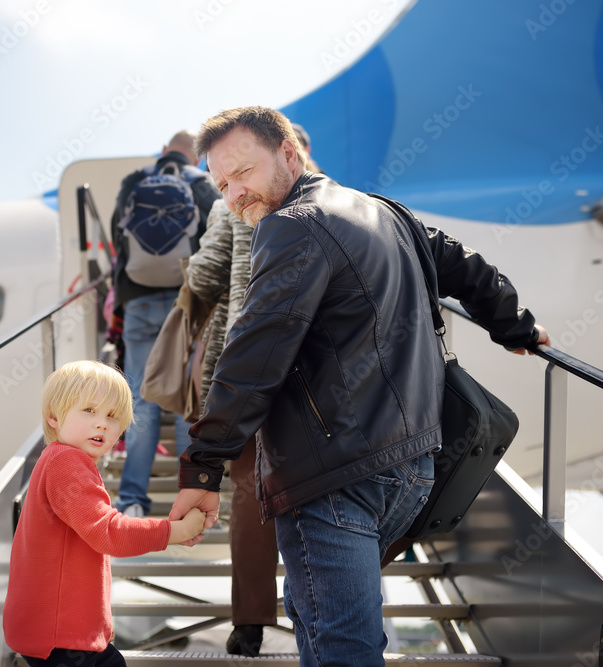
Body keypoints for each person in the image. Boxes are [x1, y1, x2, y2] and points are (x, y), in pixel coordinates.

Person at [169, 107, 549, 666]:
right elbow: (467, 267)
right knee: (326, 627)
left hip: (332, 480)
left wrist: (203, 464)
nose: (234, 195)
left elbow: (255, 354)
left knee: (339, 647)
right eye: (223, 185)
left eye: (243, 173)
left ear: (289, 154)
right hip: (410, 467)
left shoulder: (291, 225)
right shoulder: (384, 212)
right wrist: (514, 325)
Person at [3, 360, 206, 666]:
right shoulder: (66, 463)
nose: (102, 423)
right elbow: (109, 532)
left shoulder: (60, 459)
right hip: (63, 639)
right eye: (89, 410)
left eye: (112, 416)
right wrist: (175, 532)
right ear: (54, 417)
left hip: (61, 635)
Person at [111, 131, 220, 518]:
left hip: (138, 300)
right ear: (197, 155)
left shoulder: (135, 179)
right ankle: (188, 495)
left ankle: (131, 501)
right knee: (184, 399)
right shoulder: (200, 181)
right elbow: (218, 235)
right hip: (186, 301)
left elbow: (116, 236)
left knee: (141, 398)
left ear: (162, 152)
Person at [185, 198, 277, 655]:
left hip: (246, 367)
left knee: (248, 492)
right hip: (315, 374)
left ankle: (251, 623)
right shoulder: (328, 201)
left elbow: (204, 277)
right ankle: (322, 604)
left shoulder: (234, 206)